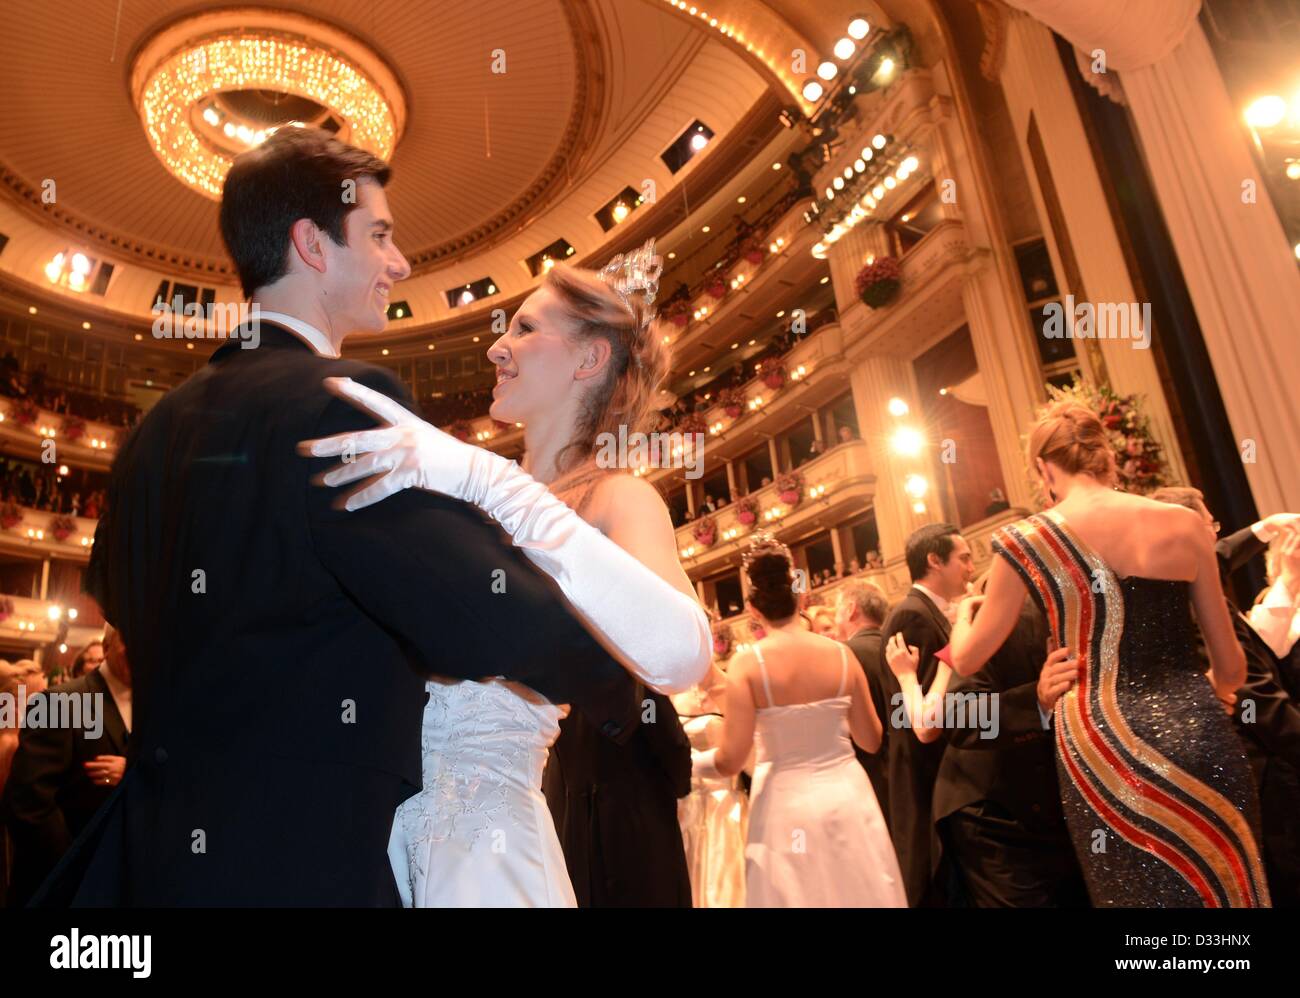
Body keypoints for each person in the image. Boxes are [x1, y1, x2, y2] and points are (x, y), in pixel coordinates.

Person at [38, 128, 679, 908]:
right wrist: (617, 688)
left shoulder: (149, 438)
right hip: (303, 859)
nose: (400, 262)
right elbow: (473, 611)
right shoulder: (339, 401)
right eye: (378, 235)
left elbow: (119, 596)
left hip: (148, 863)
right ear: (312, 244)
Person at [307, 241, 711, 906]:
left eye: (524, 329)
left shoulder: (617, 497)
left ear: (590, 358)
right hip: (392, 843)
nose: (497, 349)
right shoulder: (470, 500)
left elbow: (681, 657)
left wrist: (489, 478)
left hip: (488, 859)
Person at [949, 402, 1270, 907]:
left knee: (1136, 895)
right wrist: (1216, 696)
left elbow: (967, 659)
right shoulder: (1185, 524)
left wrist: (962, 617)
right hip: (1199, 725)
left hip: (1099, 744)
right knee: (1226, 891)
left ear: (1043, 468)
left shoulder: (1024, 540)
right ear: (1106, 456)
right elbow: (1231, 665)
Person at [695, 535, 904, 907]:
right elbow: (872, 740)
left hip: (784, 802)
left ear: (752, 609)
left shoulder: (749, 664)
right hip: (847, 797)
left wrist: (689, 763)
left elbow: (730, 759)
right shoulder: (841, 655)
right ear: (800, 598)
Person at [880, 523, 973, 906]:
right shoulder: (912, 616)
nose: (971, 566)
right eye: (964, 558)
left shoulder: (924, 611)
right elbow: (915, 713)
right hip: (926, 768)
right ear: (935, 561)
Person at [4, 630, 130, 907]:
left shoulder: (157, 707)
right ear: (108, 645)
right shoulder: (58, 702)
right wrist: (81, 873)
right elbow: (28, 806)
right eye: (131, 636)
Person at [835, 582, 892, 827]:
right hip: (907, 769)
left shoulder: (843, 655)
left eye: (837, 611)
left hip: (868, 775)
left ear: (851, 610)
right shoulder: (897, 645)